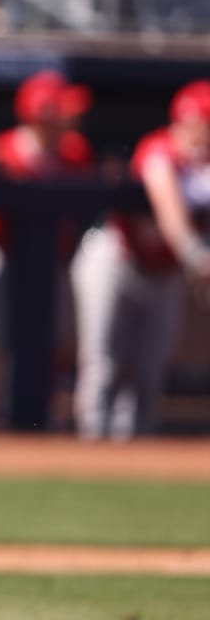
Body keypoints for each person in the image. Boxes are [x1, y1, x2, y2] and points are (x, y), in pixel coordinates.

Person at [70, 80, 210, 441]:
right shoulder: (159, 149)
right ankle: (88, 451)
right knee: (102, 365)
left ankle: (136, 459)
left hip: (164, 272)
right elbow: (169, 210)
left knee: (149, 373)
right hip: (115, 258)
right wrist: (198, 257)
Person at [0, 70, 92, 419]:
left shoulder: (76, 153)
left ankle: (42, 421)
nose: (73, 118)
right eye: (64, 111)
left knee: (56, 344)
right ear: (42, 117)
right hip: (3, 257)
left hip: (54, 261)